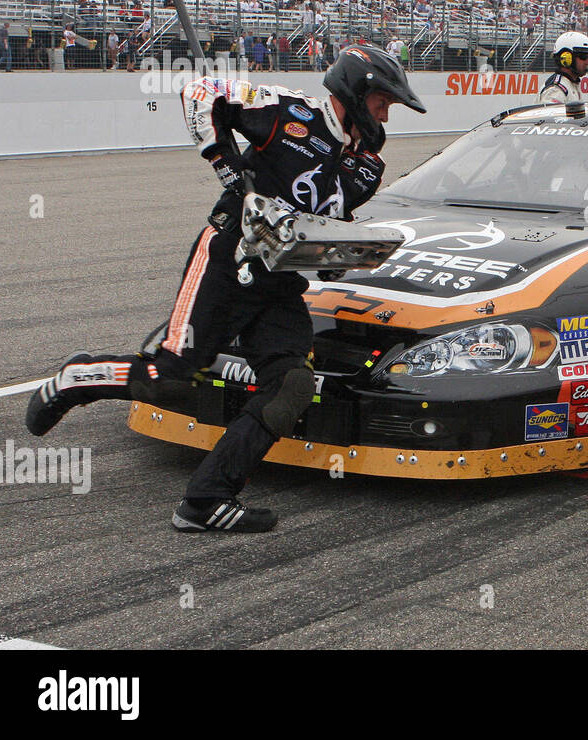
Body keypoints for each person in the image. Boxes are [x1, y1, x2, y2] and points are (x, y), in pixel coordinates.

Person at [25, 45, 428, 532]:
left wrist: (337, 255)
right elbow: (200, 91)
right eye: (384, 100)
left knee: (291, 386)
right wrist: (226, 164)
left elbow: (325, 221)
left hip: (279, 279)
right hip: (228, 257)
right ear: (356, 92)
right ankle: (77, 378)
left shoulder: (368, 163)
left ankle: (206, 499)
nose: (388, 112)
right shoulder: (287, 109)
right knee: (173, 371)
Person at [539, 31, 588, 104]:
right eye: (583, 57)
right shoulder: (555, 91)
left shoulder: (571, 84)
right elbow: (551, 114)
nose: (587, 62)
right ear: (566, 58)